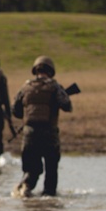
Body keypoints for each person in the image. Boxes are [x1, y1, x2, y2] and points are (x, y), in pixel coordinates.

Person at [11, 56, 72, 197]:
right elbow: (67, 106)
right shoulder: (54, 86)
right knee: (51, 168)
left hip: (29, 134)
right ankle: (49, 197)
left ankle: (25, 187)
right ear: (51, 71)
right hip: (49, 133)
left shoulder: (25, 87)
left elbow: (15, 110)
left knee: (32, 168)